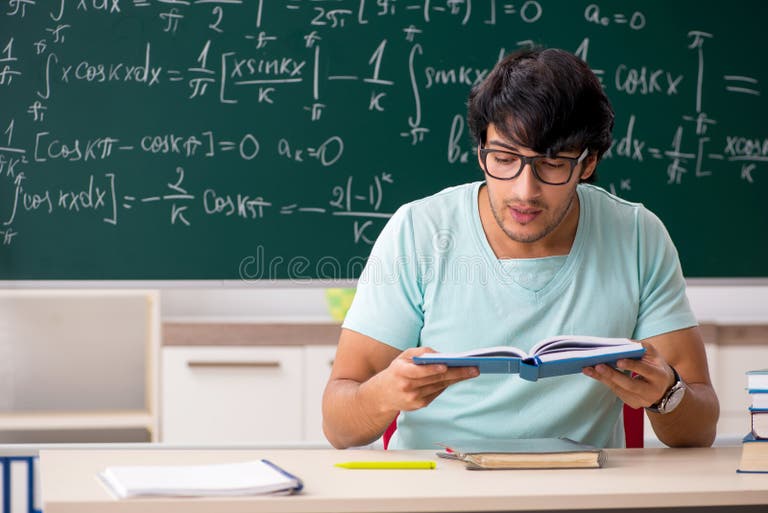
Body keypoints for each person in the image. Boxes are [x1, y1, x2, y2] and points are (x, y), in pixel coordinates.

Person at [322, 47, 719, 450]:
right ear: (481, 151)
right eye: (504, 157)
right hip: (439, 491)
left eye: (551, 164)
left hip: (580, 494)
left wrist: (667, 394)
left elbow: (699, 429)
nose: (523, 191)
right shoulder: (418, 231)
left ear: (587, 163)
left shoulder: (637, 235)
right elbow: (339, 426)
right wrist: (386, 393)